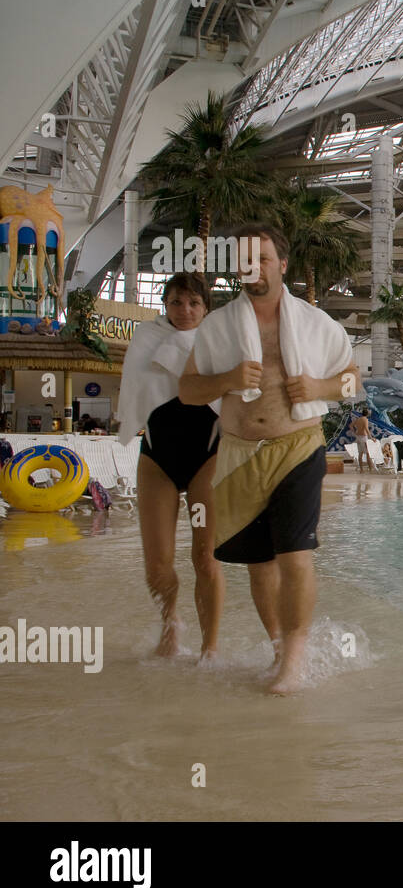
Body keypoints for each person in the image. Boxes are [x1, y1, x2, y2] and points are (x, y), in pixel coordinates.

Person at [180, 224, 359, 695]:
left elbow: (352, 382)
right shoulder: (217, 327)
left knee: (295, 554)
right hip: (239, 454)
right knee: (260, 564)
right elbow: (188, 389)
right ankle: (279, 647)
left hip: (298, 445)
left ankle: (295, 660)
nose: (252, 267)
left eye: (262, 258)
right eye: (243, 258)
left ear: (282, 264)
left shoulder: (317, 325)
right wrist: (227, 379)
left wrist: (319, 388)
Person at [118, 272, 225, 660]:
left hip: (206, 460)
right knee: (157, 563)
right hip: (157, 459)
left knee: (204, 557)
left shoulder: (220, 345)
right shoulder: (146, 340)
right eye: (176, 302)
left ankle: (209, 648)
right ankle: (170, 624)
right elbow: (135, 393)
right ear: (165, 304)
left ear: (206, 308)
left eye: (194, 303)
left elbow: (239, 396)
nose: (185, 310)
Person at [350, 408, 374, 472]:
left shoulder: (358, 419)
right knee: (368, 453)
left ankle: (361, 469)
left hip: (358, 436)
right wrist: (371, 438)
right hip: (363, 437)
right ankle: (370, 469)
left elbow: (351, 425)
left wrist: (355, 432)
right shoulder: (365, 419)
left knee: (360, 453)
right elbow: (366, 429)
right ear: (367, 414)